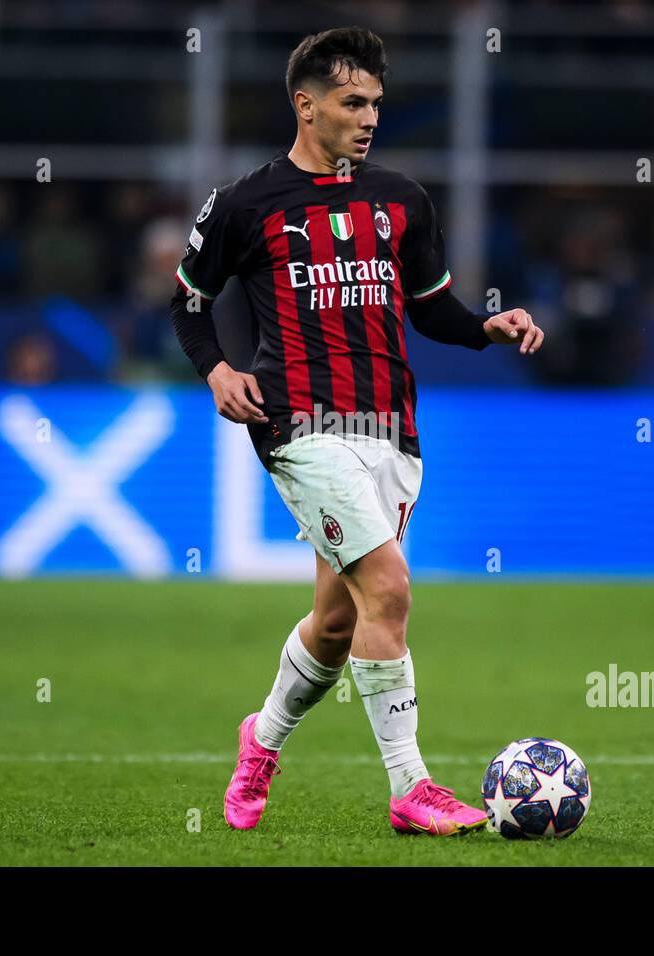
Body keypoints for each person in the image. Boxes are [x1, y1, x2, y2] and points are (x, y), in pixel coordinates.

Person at [169, 26, 543, 836]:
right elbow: (188, 300)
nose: (368, 116)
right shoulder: (246, 203)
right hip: (299, 423)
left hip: (390, 430)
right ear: (306, 107)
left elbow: (430, 308)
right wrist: (218, 370)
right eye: (351, 101)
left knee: (339, 624)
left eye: (375, 101)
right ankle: (411, 788)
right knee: (391, 589)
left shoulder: (402, 200)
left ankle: (260, 740)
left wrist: (487, 327)